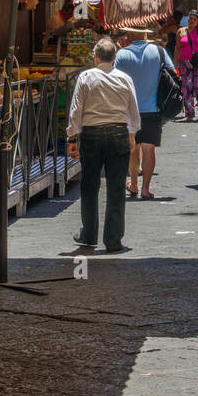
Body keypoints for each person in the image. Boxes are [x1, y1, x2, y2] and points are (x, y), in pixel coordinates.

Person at [67, 37, 141, 253]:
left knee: (89, 186)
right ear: (115, 58)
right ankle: (113, 239)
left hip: (92, 135)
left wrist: (72, 137)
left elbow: (76, 110)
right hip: (118, 134)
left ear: (95, 57)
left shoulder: (86, 77)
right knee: (116, 188)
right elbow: (133, 112)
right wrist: (131, 135)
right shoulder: (125, 78)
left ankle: (89, 235)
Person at [115, 28, 174, 200]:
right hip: (153, 108)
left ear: (129, 36)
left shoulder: (122, 54)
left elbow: (113, 76)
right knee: (149, 148)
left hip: (129, 110)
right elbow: (171, 71)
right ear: (146, 35)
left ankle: (133, 183)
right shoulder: (159, 51)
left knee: (133, 148)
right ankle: (145, 189)